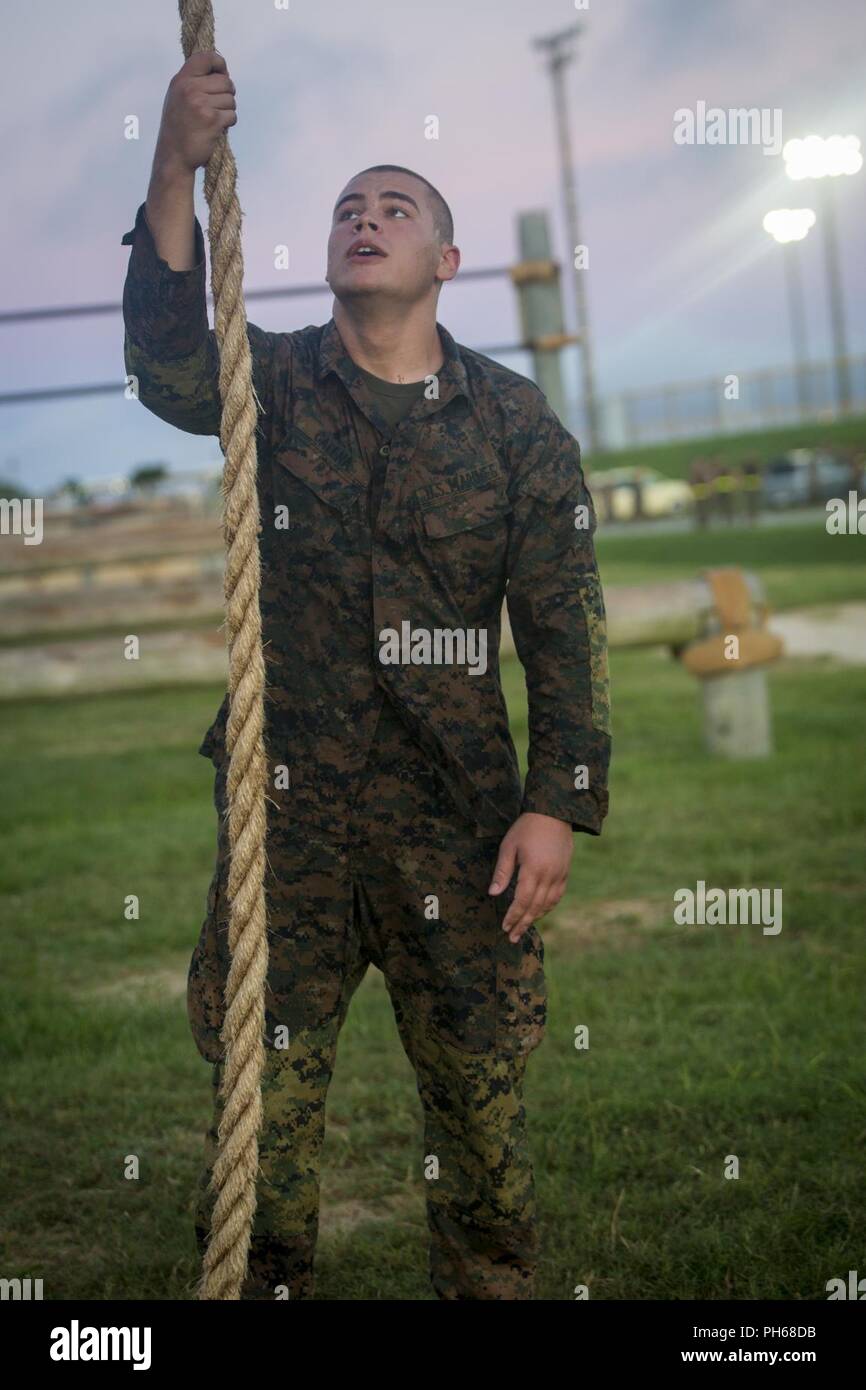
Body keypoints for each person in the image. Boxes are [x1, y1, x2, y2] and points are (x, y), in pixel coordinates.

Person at [121, 49, 611, 1300]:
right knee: (263, 1113)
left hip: (459, 824)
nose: (365, 218)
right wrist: (174, 159)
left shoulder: (514, 431)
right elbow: (170, 362)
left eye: (396, 208)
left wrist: (555, 799)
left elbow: (562, 628)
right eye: (347, 205)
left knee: (480, 1117)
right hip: (289, 820)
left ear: (444, 263)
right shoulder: (271, 386)